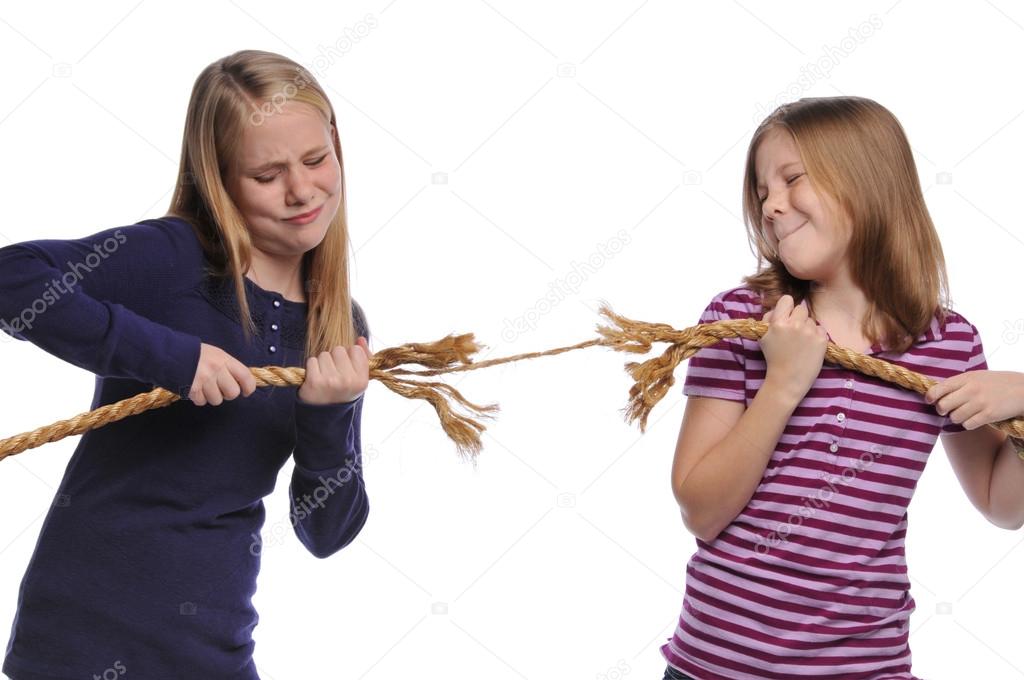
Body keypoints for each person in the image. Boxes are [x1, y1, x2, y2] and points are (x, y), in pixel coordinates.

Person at [0, 49, 371, 679]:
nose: (302, 190)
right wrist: (170, 355)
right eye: (266, 174)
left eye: (315, 159)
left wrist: (328, 419)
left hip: (214, 650)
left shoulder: (337, 324)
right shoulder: (176, 259)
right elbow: (13, 278)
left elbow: (326, 532)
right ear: (217, 178)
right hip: (83, 641)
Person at [660, 96, 1024, 679]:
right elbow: (700, 509)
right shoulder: (742, 320)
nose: (772, 206)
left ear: (868, 181)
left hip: (867, 667)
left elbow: (1001, 505)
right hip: (714, 668)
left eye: (791, 179)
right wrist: (782, 384)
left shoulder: (946, 344)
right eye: (761, 192)